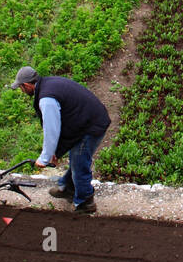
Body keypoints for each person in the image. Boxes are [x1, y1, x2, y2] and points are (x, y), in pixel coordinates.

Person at [8, 66, 110, 214]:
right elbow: (63, 123)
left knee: (80, 161)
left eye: (21, 87)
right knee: (76, 158)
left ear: (27, 85)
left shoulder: (46, 99)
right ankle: (67, 187)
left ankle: (85, 202)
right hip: (85, 120)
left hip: (91, 125)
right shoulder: (48, 84)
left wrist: (45, 158)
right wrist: (55, 152)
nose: (21, 91)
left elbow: (52, 130)